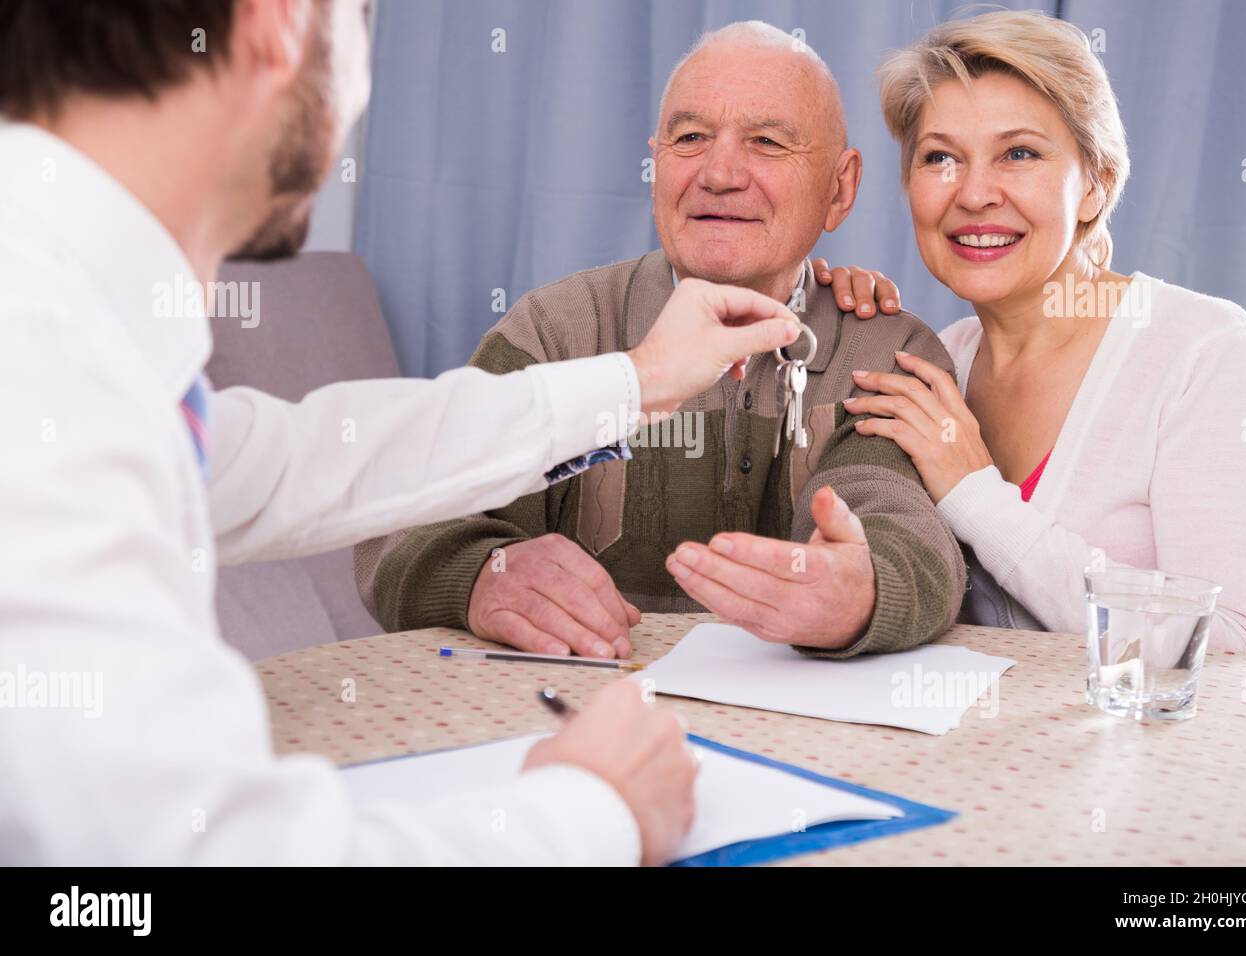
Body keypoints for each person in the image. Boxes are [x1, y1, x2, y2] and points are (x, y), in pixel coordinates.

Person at [0, 0, 814, 865]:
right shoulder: (44, 346)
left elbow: (292, 459)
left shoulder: (66, 312)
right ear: (279, 23)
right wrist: (592, 812)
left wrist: (636, 383)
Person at [356, 21, 966, 660]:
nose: (720, 172)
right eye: (691, 137)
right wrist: (481, 575)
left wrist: (867, 590)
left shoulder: (887, 352)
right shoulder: (552, 330)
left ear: (838, 189)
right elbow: (410, 523)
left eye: (766, 141)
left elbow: (906, 533)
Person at [837, 10, 1246, 655]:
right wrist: (822, 308)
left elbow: (1242, 646)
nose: (972, 194)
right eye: (940, 157)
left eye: (1018, 153)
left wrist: (976, 497)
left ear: (1096, 184)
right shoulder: (942, 359)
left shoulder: (1202, 349)